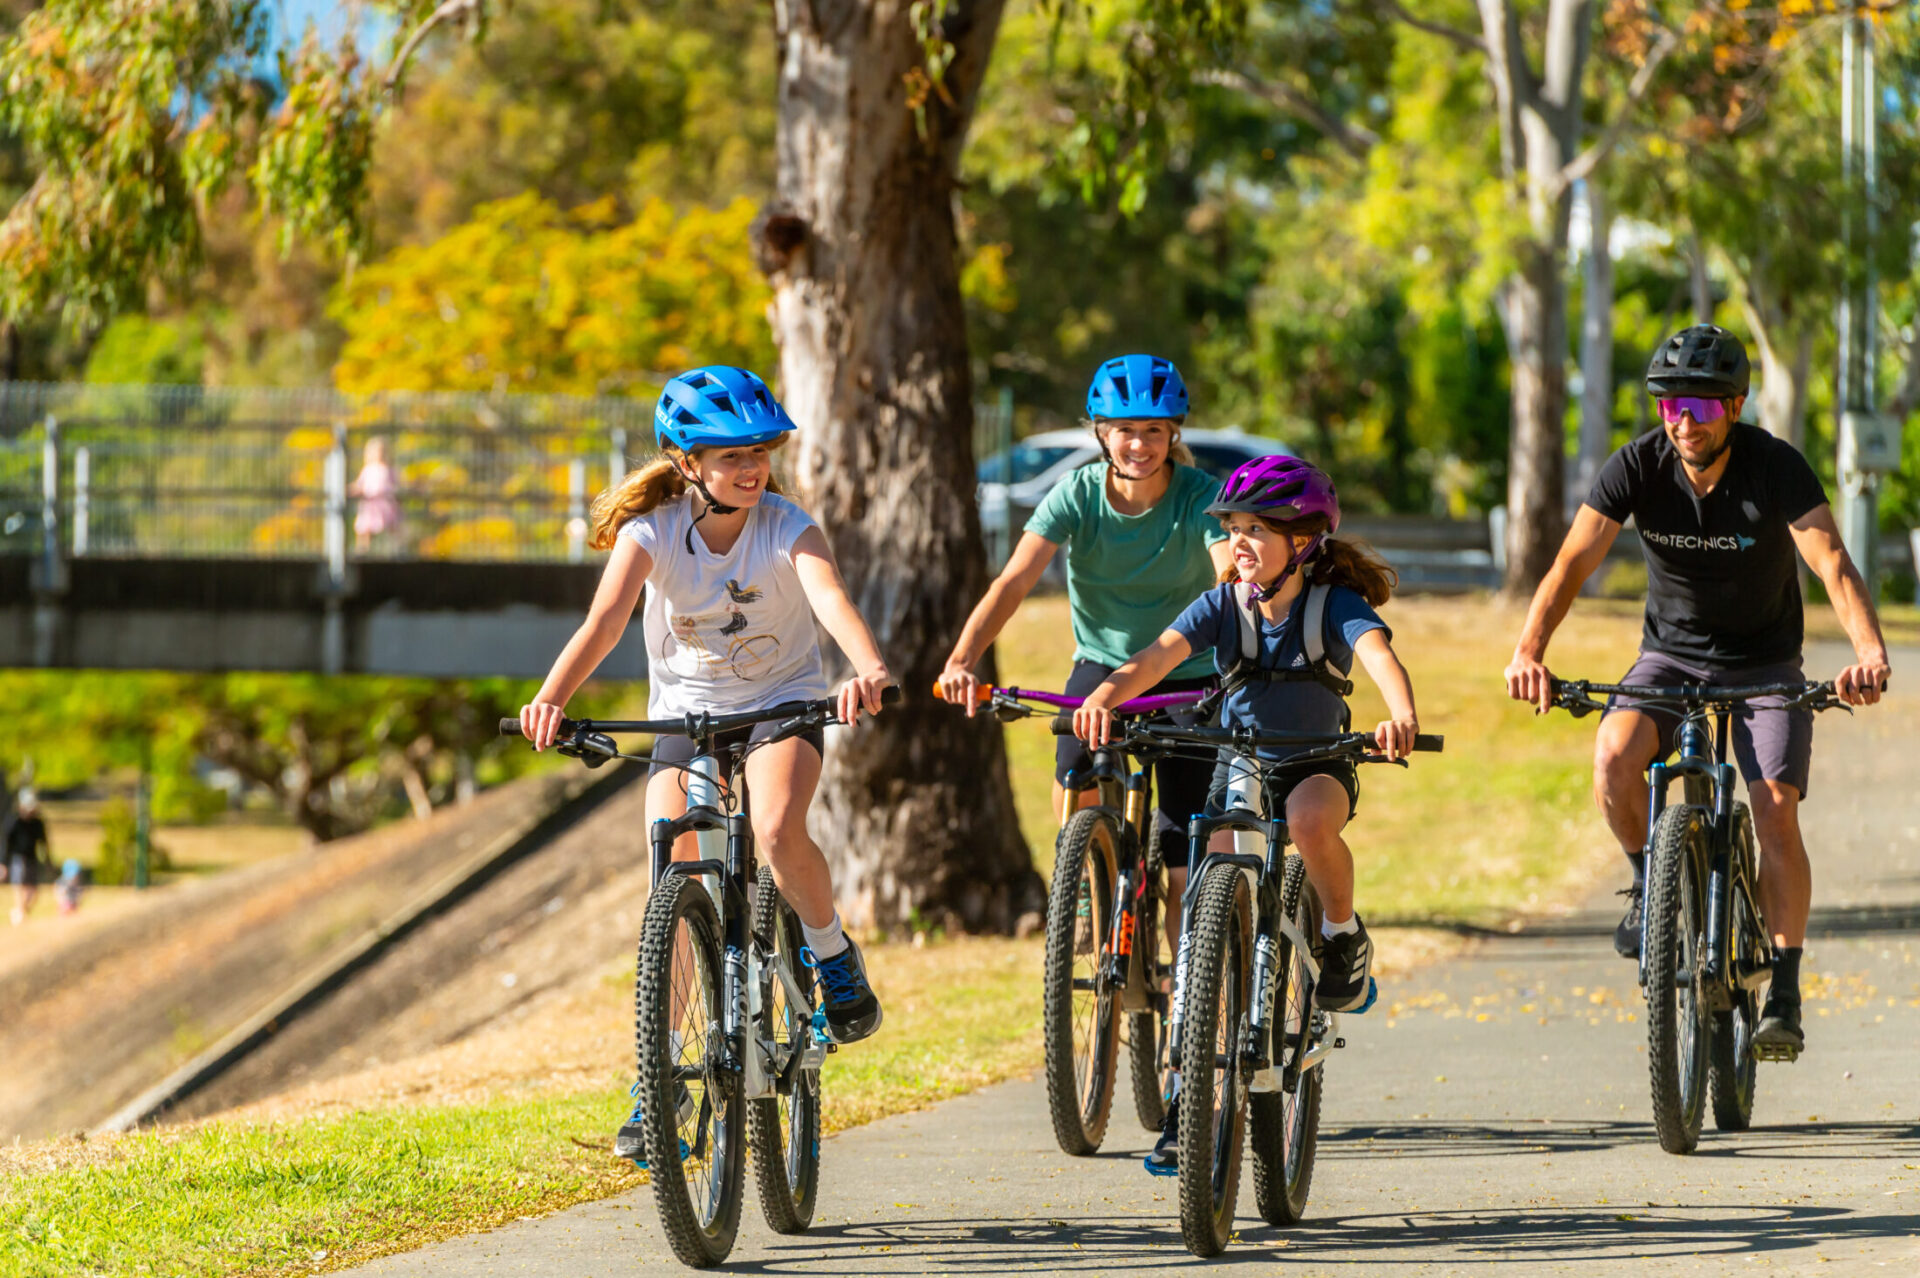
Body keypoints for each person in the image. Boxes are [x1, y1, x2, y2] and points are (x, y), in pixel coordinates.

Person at [518, 365, 892, 1165]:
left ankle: (830, 954)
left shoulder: (787, 526)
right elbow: (604, 622)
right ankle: (660, 1081)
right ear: (687, 462)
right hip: (687, 716)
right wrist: (551, 699)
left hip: (782, 703)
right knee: (672, 861)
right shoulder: (651, 532)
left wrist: (866, 667)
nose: (751, 468)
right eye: (730, 456)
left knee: (776, 826)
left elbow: (830, 599)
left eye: (759, 452)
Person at [1504, 324, 1890, 1060]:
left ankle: (1784, 987)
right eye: (1671, 405)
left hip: (1765, 664)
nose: (1685, 421)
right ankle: (1650, 886)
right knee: (1613, 757)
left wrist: (1869, 651)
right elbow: (1572, 563)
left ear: (1735, 407)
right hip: (1669, 659)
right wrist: (1529, 652)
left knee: (1774, 809)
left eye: (1703, 406)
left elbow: (1832, 562)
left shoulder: (1775, 468)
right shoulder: (1637, 466)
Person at [1072, 456, 1420, 1174]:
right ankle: (1191, 1090)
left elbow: (1379, 655)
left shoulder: (1331, 604)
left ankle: (1340, 932)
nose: (1238, 542)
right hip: (1242, 762)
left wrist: (1401, 715)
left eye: (1256, 530)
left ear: (1304, 540)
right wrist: (1103, 697)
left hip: (1317, 761)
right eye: (1232, 528)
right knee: (1212, 877)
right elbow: (1155, 658)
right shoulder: (1222, 605)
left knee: (1308, 823)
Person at [941, 353, 1232, 939]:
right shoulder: (1076, 494)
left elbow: (1228, 573)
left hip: (1188, 672)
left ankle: (1183, 988)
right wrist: (961, 660)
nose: (1139, 444)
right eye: (1125, 430)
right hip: (1103, 668)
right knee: (1073, 762)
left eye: (1154, 430)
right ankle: (1085, 871)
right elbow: (1013, 581)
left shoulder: (1200, 494)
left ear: (1174, 434)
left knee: (1185, 868)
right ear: (1101, 433)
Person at [4, 788, 50, 926]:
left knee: (33, 891)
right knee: (19, 886)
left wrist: (47, 860)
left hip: (32, 858)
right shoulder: (14, 821)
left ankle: (20, 912)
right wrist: (3, 862)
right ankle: (20, 914)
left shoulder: (37, 823)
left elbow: (43, 843)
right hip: (18, 858)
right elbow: (6, 843)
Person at [349, 438, 401, 554]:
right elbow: (360, 485)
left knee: (393, 527)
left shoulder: (390, 470)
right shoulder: (368, 470)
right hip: (370, 505)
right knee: (365, 529)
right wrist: (352, 490)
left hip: (386, 504)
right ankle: (362, 550)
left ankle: (397, 549)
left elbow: (397, 485)